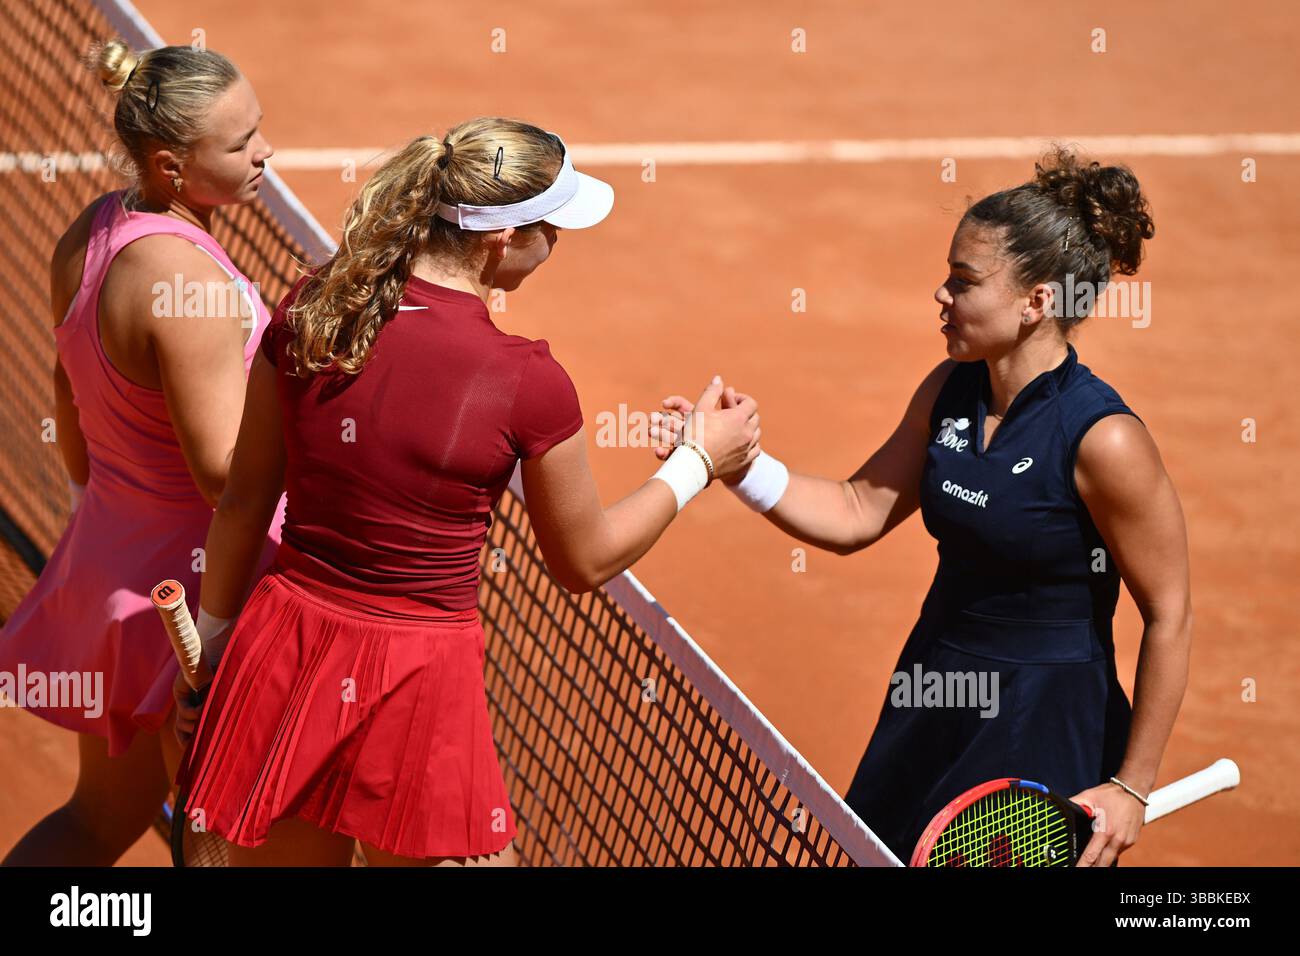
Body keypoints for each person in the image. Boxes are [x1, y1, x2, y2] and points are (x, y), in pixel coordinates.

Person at [172, 117, 761, 867]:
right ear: (500, 242)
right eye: (552, 227)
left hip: (282, 652)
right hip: (415, 680)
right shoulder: (528, 382)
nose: (560, 242)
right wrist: (697, 463)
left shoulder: (314, 308)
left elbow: (245, 500)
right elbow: (584, 561)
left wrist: (216, 656)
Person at [652, 147, 1190, 867]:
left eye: (963, 282)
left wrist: (1132, 783)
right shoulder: (952, 388)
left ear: (1037, 302)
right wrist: (734, 465)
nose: (941, 295)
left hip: (1041, 721)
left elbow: (1171, 612)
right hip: (932, 688)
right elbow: (856, 509)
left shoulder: (1104, 440)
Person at [0, 39, 283, 865]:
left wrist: (118, 506)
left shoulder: (94, 231)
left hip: (111, 563)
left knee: (96, 822)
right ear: (170, 165)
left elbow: (70, 403)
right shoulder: (189, 286)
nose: (265, 152)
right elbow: (226, 474)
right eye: (239, 145)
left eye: (258, 128)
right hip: (197, 595)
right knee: (218, 847)